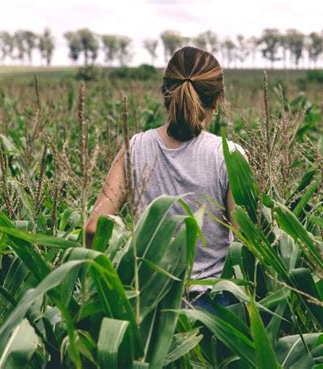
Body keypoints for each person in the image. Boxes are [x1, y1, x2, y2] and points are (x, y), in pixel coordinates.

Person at [84, 46, 246, 312]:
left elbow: (93, 229)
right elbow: (244, 243)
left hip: (148, 306)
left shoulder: (134, 147)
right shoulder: (230, 156)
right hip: (215, 310)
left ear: (165, 94)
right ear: (217, 100)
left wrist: (105, 287)